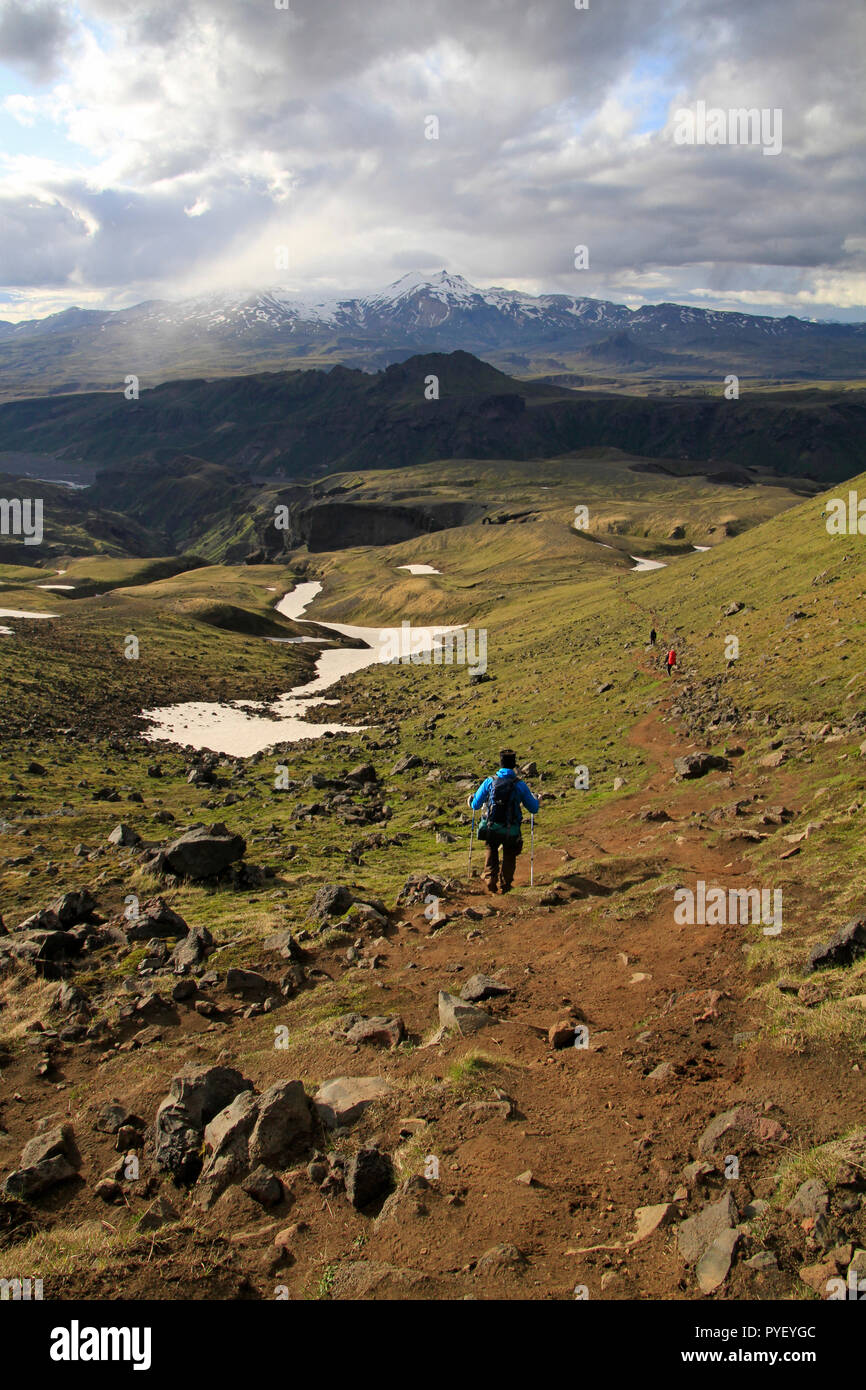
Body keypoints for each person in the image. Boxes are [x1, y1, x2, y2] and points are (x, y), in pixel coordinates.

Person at [469, 748, 539, 894]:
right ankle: (506, 885)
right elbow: (533, 808)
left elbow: (475, 804)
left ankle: (490, 878)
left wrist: (470, 801)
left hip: (491, 826)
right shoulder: (519, 785)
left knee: (491, 847)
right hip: (511, 828)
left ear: (500, 764)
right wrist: (537, 800)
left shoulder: (490, 782)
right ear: (514, 765)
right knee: (510, 853)